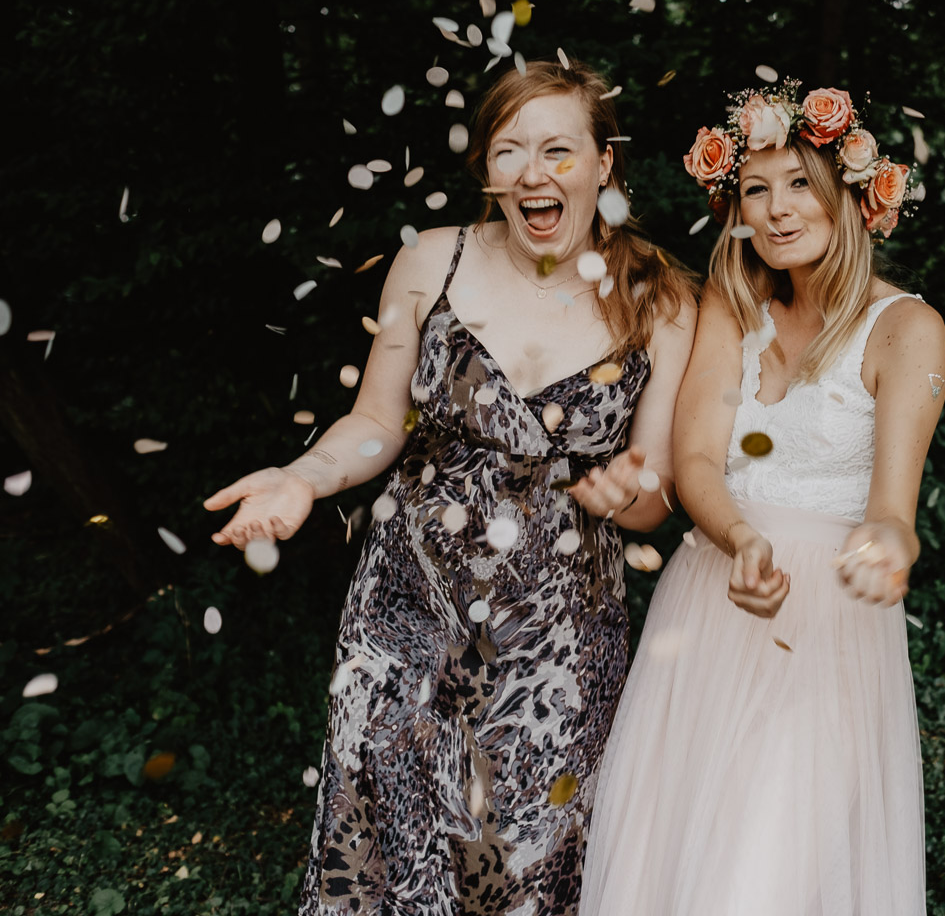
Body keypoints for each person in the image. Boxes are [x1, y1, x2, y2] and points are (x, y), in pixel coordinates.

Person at [203, 59, 697, 915]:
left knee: (527, 869)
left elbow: (655, 497)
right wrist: (301, 477)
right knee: (387, 852)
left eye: (557, 150)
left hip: (558, 640)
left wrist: (631, 491)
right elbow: (376, 421)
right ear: (486, 167)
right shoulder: (432, 259)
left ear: (604, 163)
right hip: (407, 613)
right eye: (509, 151)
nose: (533, 174)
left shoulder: (661, 297)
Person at [579, 82, 945, 915]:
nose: (777, 209)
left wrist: (889, 549)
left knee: (761, 875)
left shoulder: (907, 329)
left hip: (824, 634)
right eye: (756, 189)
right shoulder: (731, 306)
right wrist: (740, 538)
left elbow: (893, 511)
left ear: (850, 192)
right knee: (673, 860)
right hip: (709, 601)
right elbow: (697, 459)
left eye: (800, 184)